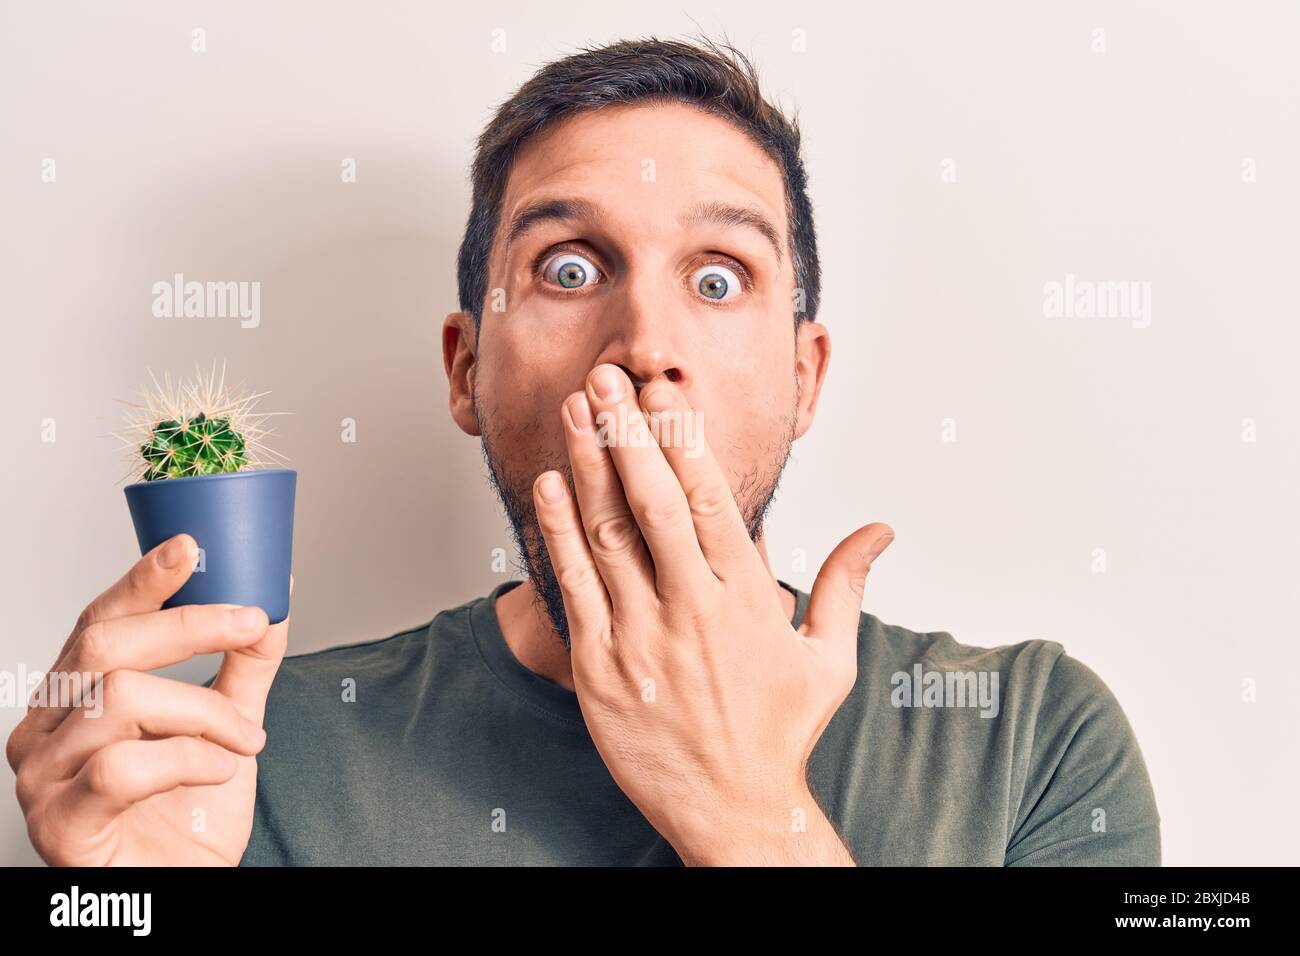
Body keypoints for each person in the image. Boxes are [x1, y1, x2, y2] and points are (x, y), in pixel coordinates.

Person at [7, 36, 1160, 866]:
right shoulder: (247, 759)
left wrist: (749, 813)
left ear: (805, 378)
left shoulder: (1029, 741)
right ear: (467, 368)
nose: (644, 344)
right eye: (568, 267)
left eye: (718, 277)